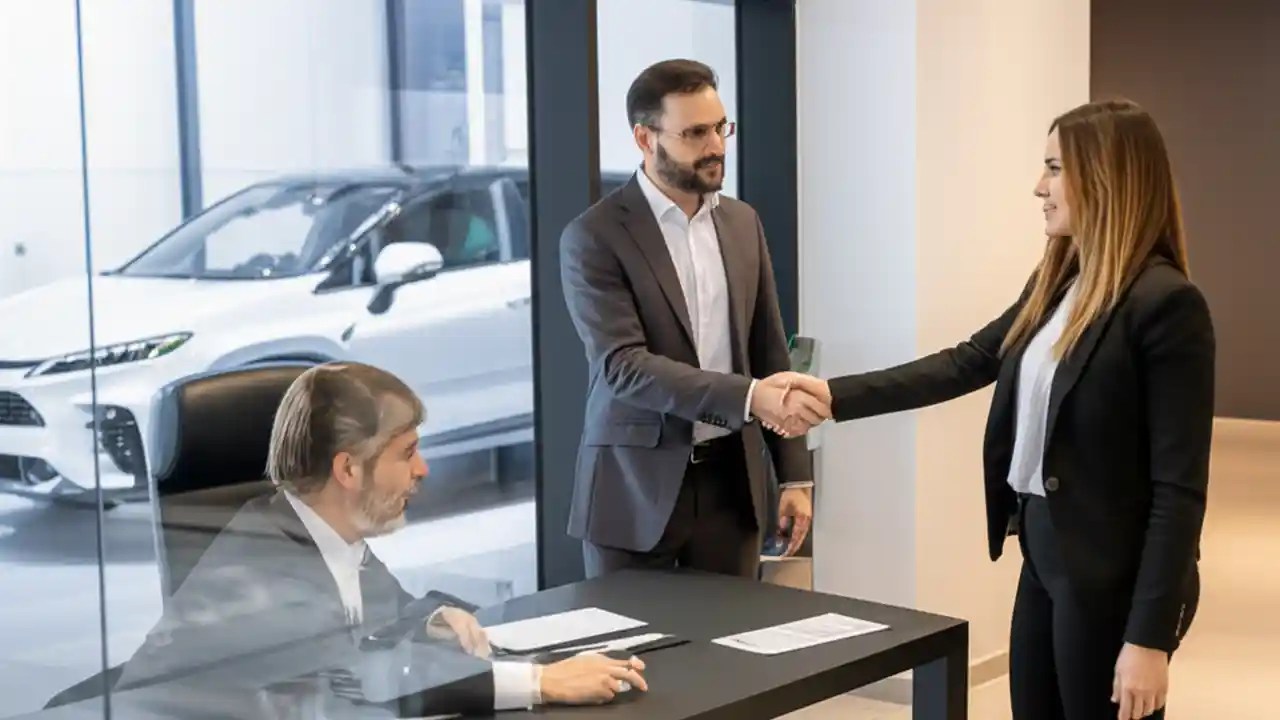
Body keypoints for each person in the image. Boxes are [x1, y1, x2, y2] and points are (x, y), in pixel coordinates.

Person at [768, 99, 1213, 720]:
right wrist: (833, 397)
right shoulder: (1061, 282)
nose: (1039, 187)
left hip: (1114, 578)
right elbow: (967, 361)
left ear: (1105, 177)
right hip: (1046, 555)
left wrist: (1149, 638)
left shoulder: (1166, 305)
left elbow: (1179, 491)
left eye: (1054, 168)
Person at [117, 362, 647, 717]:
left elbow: (385, 614)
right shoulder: (265, 565)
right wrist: (540, 682)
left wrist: (433, 618)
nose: (423, 469)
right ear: (348, 469)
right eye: (406, 452)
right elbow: (364, 678)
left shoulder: (326, 535)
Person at [559, 59, 828, 579]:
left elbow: (769, 350)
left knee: (732, 631)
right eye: (695, 133)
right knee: (633, 634)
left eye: (721, 128)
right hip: (633, 489)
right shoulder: (594, 236)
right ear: (645, 138)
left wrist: (795, 475)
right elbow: (622, 366)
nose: (716, 146)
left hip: (733, 485)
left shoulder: (742, 222)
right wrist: (748, 397)